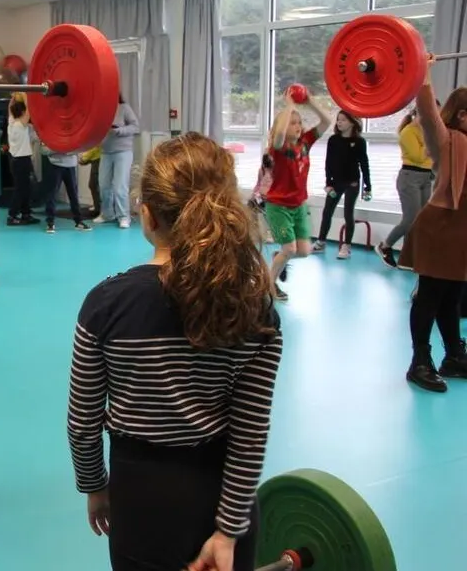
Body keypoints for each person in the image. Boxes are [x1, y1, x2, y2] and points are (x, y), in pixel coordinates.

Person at [67, 133, 282, 571]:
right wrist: (226, 531)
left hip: (143, 502)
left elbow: (83, 423)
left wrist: (95, 486)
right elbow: (250, 432)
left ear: (147, 215)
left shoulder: (105, 304)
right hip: (225, 497)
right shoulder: (257, 306)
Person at [399, 57, 467, 393]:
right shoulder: (447, 140)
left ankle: (454, 356)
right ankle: (420, 362)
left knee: (452, 297)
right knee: (430, 296)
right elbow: (426, 109)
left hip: (462, 229)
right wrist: (422, 70)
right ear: (463, 115)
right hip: (440, 226)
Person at [263, 88, 332, 301]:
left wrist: (310, 101)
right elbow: (280, 135)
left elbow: (327, 121)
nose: (297, 126)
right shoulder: (278, 148)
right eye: (292, 123)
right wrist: (289, 105)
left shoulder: (305, 143)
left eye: (299, 122)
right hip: (278, 206)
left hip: (299, 205)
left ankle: (280, 257)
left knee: (304, 251)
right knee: (290, 248)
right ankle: (269, 287)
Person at [375, 104, 438, 269]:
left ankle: (408, 256)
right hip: (410, 177)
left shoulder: (428, 132)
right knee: (410, 218)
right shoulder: (408, 132)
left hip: (426, 177)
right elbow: (418, 156)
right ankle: (385, 245)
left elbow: (433, 158)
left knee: (421, 220)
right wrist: (430, 140)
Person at [312, 110, 371, 259]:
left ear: (352, 122)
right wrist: (328, 183)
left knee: (348, 213)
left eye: (343, 120)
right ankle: (321, 242)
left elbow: (364, 164)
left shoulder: (359, 142)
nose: (339, 122)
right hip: (336, 183)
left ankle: (346, 246)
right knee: (327, 211)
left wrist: (368, 186)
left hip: (352, 182)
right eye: (338, 120)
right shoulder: (333, 140)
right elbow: (328, 163)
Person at [92, 94, 140, 229]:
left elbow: (135, 127)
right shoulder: (101, 111)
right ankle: (107, 214)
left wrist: (118, 131)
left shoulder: (124, 108)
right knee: (103, 185)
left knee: (120, 186)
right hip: (106, 152)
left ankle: (124, 217)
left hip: (123, 152)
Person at [39, 142, 91, 233]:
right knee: (52, 193)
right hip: (55, 165)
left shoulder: (73, 133)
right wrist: (57, 148)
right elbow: (43, 150)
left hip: (70, 165)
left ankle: (79, 221)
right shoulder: (49, 134)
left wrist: (68, 149)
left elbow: (79, 147)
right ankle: (50, 222)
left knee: (73, 194)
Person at [5, 97, 39, 225]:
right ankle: (12, 216)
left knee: (26, 189)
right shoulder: (21, 125)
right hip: (22, 161)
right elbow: (29, 111)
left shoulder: (11, 123)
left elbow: (10, 109)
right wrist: (26, 96)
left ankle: (26, 214)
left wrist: (13, 98)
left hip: (16, 161)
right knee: (21, 189)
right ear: (23, 112)